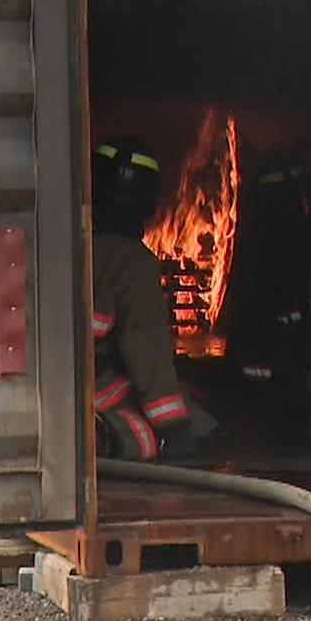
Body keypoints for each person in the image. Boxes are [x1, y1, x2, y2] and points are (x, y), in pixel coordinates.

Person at [90, 136, 205, 462]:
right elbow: (147, 350)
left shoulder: (59, 240)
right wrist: (175, 428)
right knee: (186, 424)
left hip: (44, 383)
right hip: (88, 389)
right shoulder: (133, 263)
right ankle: (101, 438)